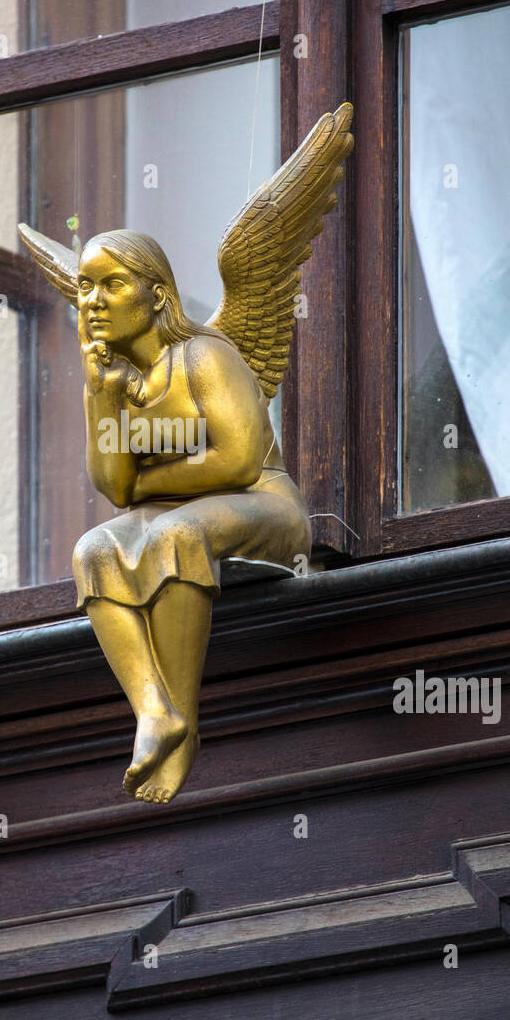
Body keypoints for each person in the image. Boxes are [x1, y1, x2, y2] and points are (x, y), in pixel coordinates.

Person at [72, 229, 311, 804]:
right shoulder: (110, 382)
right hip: (167, 515)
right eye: (84, 287)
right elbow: (113, 488)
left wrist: (147, 485)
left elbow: (237, 459)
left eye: (112, 284)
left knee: (176, 532)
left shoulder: (205, 355)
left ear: (156, 297)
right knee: (94, 551)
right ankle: (154, 711)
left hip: (263, 502)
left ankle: (186, 728)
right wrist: (104, 396)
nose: (92, 300)